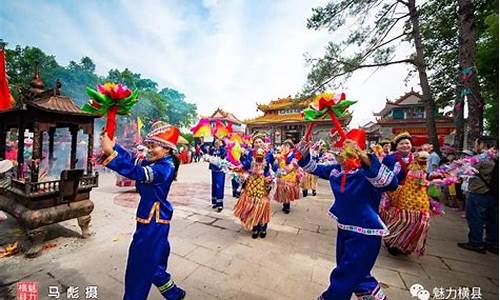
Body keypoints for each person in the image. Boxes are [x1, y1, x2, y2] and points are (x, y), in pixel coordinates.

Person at [297, 129, 398, 300]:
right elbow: (313, 168)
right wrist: (305, 152)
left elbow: (391, 183)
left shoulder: (366, 172)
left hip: (364, 234)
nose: (337, 155)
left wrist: (364, 157)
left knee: (344, 276)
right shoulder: (337, 170)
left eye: (341, 151)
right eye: (337, 151)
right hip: (344, 228)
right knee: (358, 276)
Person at [100, 121, 185, 300]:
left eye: (153, 146)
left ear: (167, 148)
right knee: (154, 262)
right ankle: (173, 293)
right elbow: (133, 161)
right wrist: (114, 146)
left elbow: (137, 173)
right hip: (152, 219)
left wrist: (111, 154)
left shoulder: (165, 168)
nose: (149, 150)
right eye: (149, 146)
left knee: (139, 264)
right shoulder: (157, 161)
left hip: (154, 221)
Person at [381, 132, 434, 256]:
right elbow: (382, 173)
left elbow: (426, 173)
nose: (405, 146)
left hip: (414, 193)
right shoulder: (390, 158)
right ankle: (392, 241)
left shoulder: (417, 158)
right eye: (402, 144)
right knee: (397, 218)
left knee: (417, 219)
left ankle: (407, 241)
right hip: (394, 191)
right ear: (397, 146)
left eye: (407, 143)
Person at [458, 136, 498, 254]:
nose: (475, 147)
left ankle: (476, 243)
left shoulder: (480, 159)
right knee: (494, 220)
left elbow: (465, 173)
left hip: (479, 192)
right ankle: (493, 244)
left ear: (482, 145)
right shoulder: (497, 158)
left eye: (476, 144)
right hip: (496, 194)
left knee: (476, 217)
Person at [273, 139, 302, 214]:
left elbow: (295, 164)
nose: (285, 147)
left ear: (290, 147)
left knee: (287, 190)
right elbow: (277, 165)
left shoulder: (293, 154)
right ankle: (285, 204)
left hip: (290, 175)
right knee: (283, 190)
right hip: (282, 174)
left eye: (287, 145)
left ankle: (287, 206)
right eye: (284, 145)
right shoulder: (281, 154)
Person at [207, 139, 227, 212]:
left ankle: (220, 204)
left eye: (219, 141)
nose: (217, 143)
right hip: (214, 170)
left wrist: (221, 147)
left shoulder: (223, 149)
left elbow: (223, 155)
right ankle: (214, 202)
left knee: (220, 186)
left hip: (221, 170)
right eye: (215, 142)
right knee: (214, 185)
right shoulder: (212, 149)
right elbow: (206, 152)